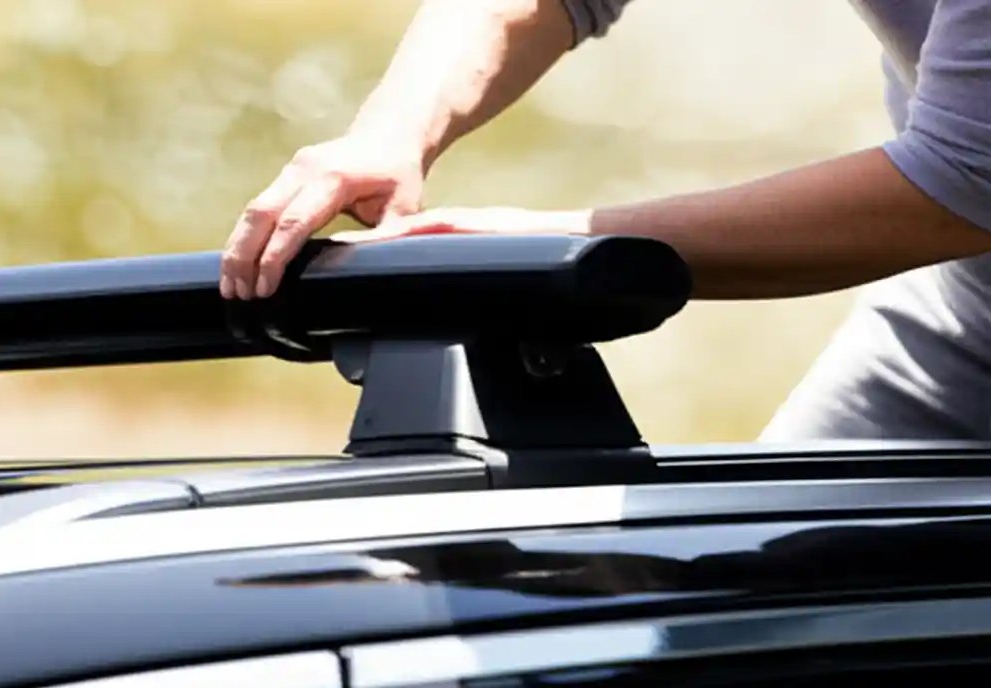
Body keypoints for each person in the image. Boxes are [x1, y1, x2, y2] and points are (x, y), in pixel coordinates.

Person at [219, 0, 991, 442]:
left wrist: (539, 248)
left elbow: (963, 180)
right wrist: (391, 132)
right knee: (734, 621)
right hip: (965, 324)